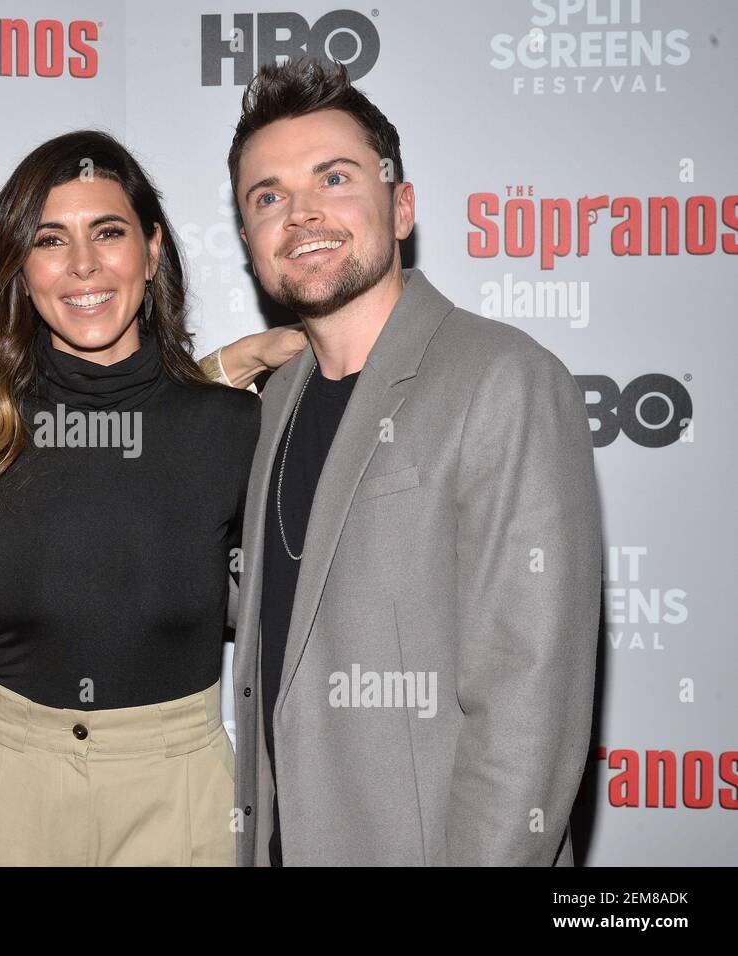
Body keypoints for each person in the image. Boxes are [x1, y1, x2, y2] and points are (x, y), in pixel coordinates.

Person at [225, 60, 601, 865]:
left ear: (401, 207)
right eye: (268, 197)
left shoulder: (503, 377)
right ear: (250, 238)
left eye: (334, 177)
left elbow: (528, 704)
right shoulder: (272, 403)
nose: (301, 214)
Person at [0, 130, 284, 865]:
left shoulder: (234, 427)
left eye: (108, 232)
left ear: (152, 247)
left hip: (182, 794)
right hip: (9, 792)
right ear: (21, 267)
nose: (83, 265)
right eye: (50, 240)